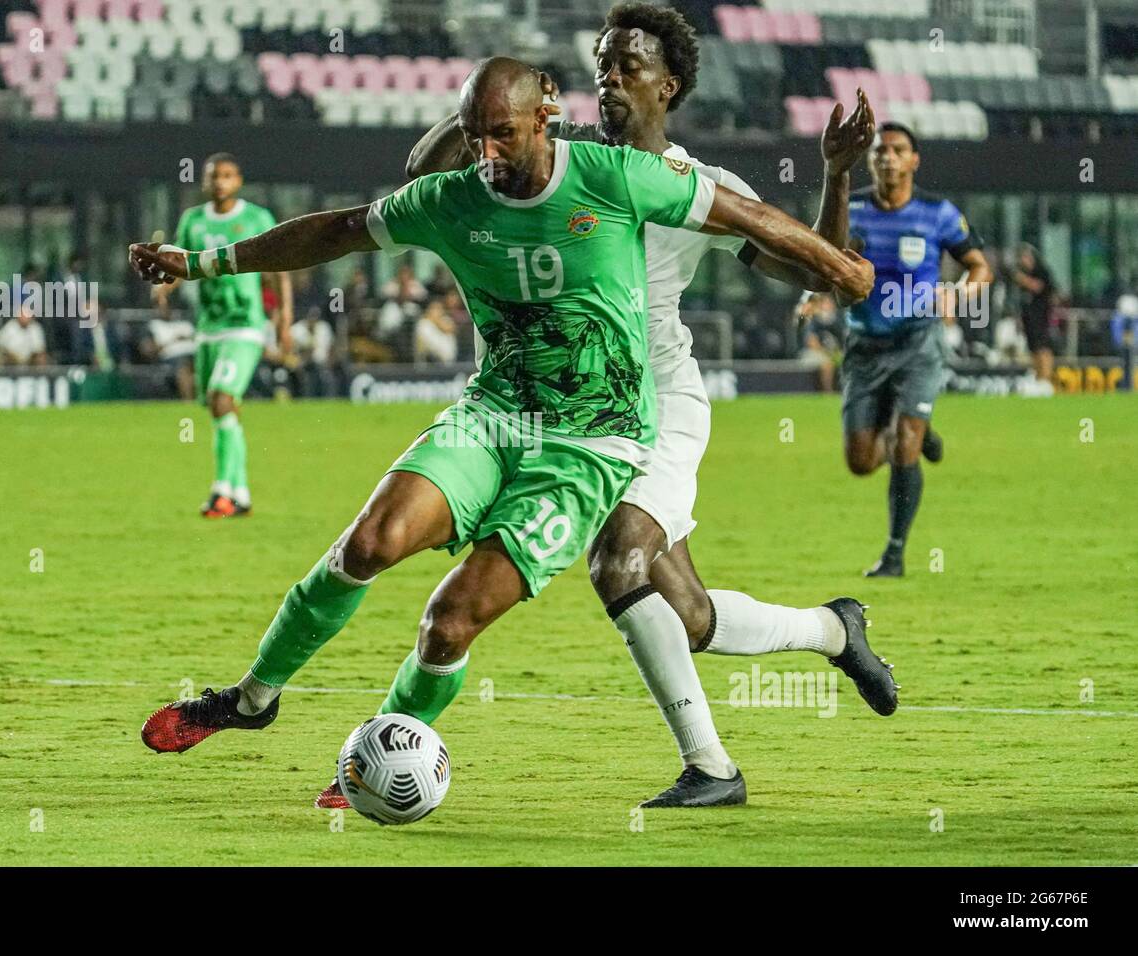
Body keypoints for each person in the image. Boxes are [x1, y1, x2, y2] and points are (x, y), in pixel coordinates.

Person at [129, 57, 881, 809]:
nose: (485, 153)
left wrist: (839, 266)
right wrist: (199, 263)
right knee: (366, 545)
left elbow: (751, 219)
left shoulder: (615, 178)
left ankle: (384, 751)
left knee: (451, 622)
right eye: (472, 135)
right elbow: (338, 230)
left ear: (542, 121)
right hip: (493, 416)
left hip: (594, 441)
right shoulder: (452, 197)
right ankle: (252, 699)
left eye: (501, 135)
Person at [402, 3, 896, 808]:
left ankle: (712, 769)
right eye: (601, 64)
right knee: (689, 615)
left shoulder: (704, 187)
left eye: (627, 66)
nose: (610, 78)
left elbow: (815, 271)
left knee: (618, 559)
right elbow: (421, 182)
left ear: (668, 86)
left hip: (661, 398)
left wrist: (838, 174)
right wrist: (486, 108)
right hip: (573, 409)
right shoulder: (545, 160)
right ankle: (834, 628)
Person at [844, 121, 993, 577]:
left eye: (897, 150)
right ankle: (918, 428)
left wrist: (958, 294)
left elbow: (980, 269)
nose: (887, 157)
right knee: (861, 461)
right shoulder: (850, 211)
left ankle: (894, 554)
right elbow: (824, 261)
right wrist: (813, 295)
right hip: (866, 345)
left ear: (913, 161)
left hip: (919, 341)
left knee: (904, 445)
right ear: (871, 161)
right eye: (879, 151)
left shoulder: (939, 213)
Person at [154, 152, 293, 519]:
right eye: (214, 176)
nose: (220, 182)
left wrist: (283, 317)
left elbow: (279, 268)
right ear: (205, 181)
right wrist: (163, 288)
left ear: (239, 180)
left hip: (245, 325)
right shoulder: (193, 221)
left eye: (228, 175)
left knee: (221, 398)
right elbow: (179, 263)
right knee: (222, 411)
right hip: (208, 330)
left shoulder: (256, 218)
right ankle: (241, 492)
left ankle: (221, 492)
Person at [1011, 243, 1056, 387]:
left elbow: (1039, 287)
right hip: (1028, 316)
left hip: (1040, 315)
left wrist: (1022, 280)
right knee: (1034, 348)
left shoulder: (1041, 271)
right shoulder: (1024, 272)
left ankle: (1046, 379)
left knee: (1043, 347)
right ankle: (1038, 378)